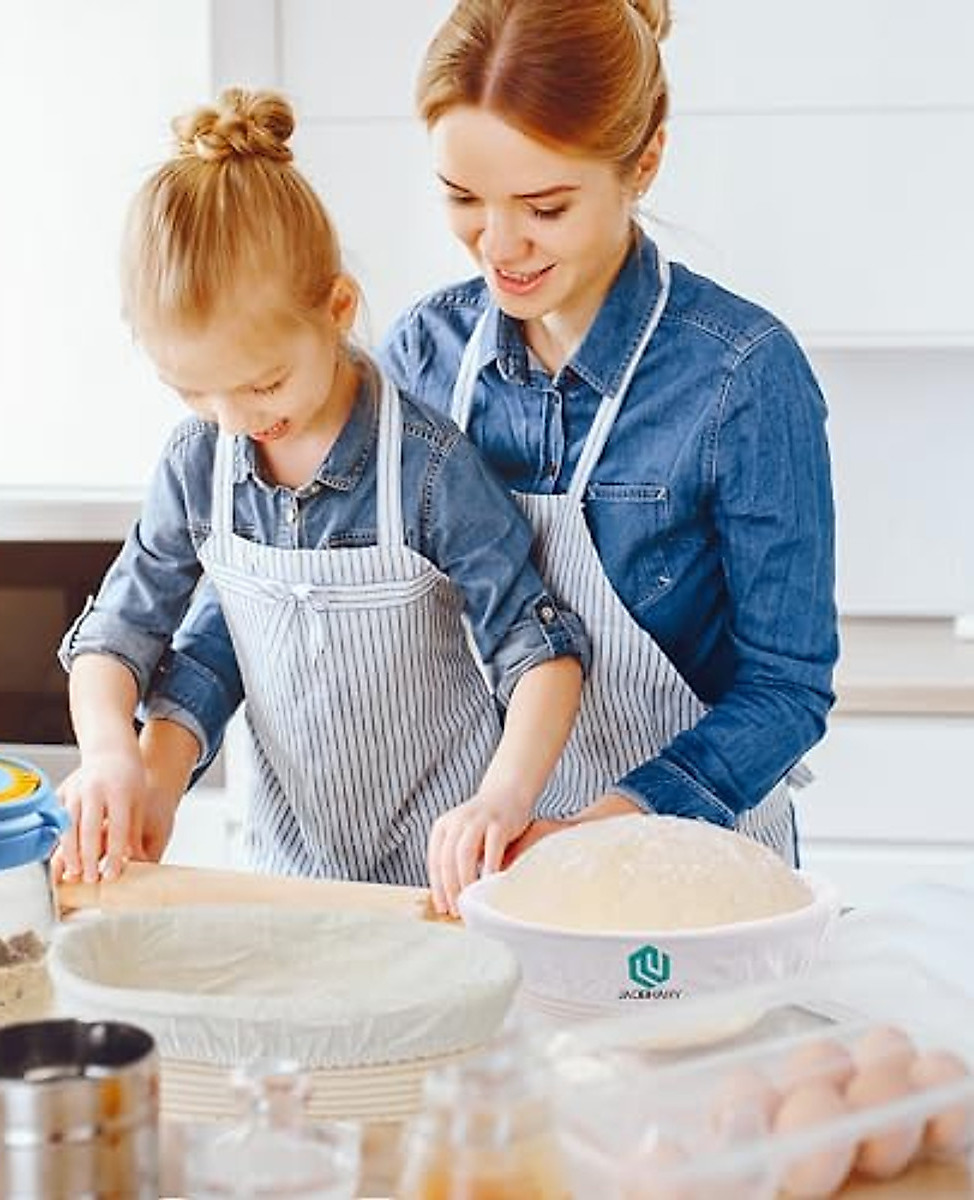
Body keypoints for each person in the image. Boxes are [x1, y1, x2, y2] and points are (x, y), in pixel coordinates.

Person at [151, 0, 839, 916]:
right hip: (477, 888)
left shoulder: (742, 377)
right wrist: (156, 757)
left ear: (644, 162)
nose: (500, 247)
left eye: (545, 206)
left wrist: (605, 833)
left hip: (685, 884)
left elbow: (784, 693)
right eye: (463, 198)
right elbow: (264, 583)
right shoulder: (423, 353)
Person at [55, 87, 585, 891]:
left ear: (337, 309)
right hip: (283, 874)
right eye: (195, 392)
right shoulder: (200, 461)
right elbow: (119, 635)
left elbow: (540, 654)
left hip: (434, 884)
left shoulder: (428, 467)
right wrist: (113, 760)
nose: (235, 418)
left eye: (264, 382)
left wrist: (500, 801)